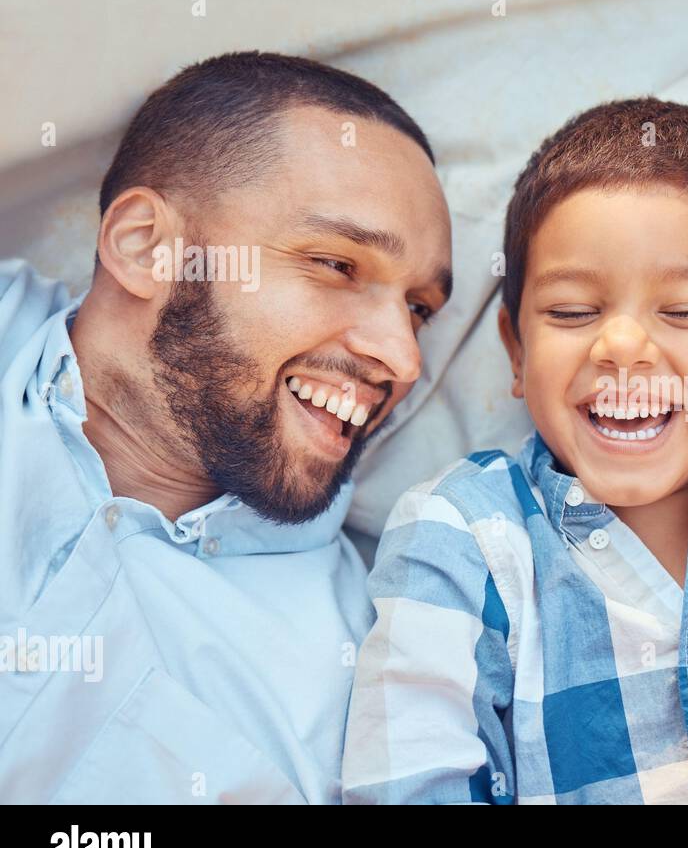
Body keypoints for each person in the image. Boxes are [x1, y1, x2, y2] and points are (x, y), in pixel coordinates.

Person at [342, 98, 688, 804]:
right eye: (574, 312)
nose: (621, 346)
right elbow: (408, 785)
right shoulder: (459, 535)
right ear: (516, 351)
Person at [0, 51, 453, 803]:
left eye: (419, 308)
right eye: (336, 265)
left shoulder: (370, 695)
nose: (403, 358)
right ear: (146, 246)